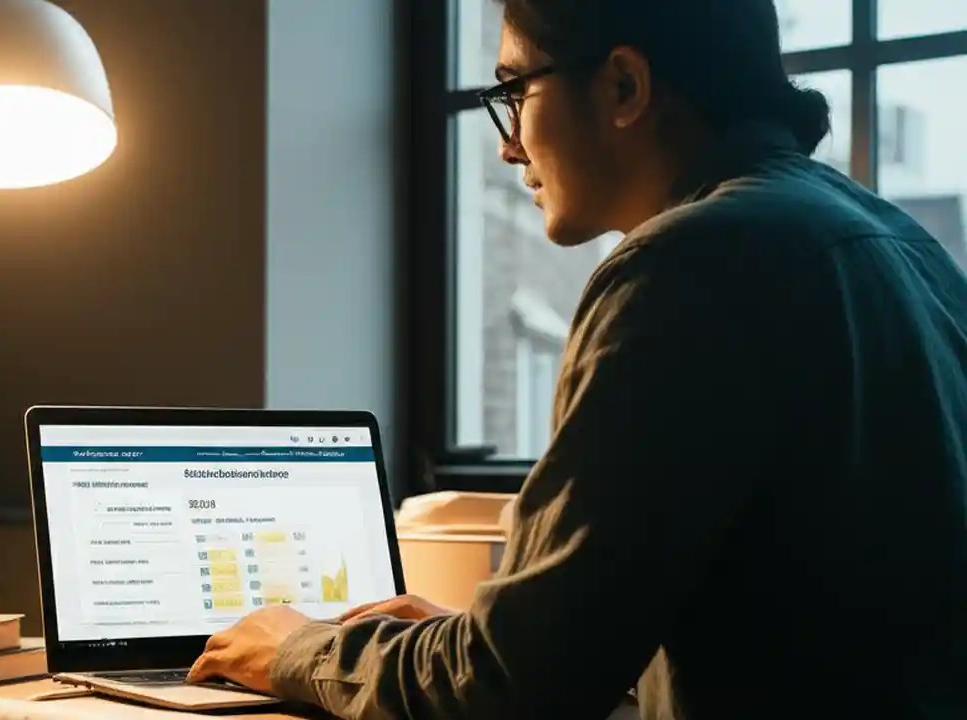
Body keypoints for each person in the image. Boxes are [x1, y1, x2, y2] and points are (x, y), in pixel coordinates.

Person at [188, 0, 967, 717]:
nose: (505, 146)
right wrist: (478, 636)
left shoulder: (686, 264)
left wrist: (297, 648)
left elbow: (512, 692)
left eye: (515, 91)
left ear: (624, 86)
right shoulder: (903, 246)